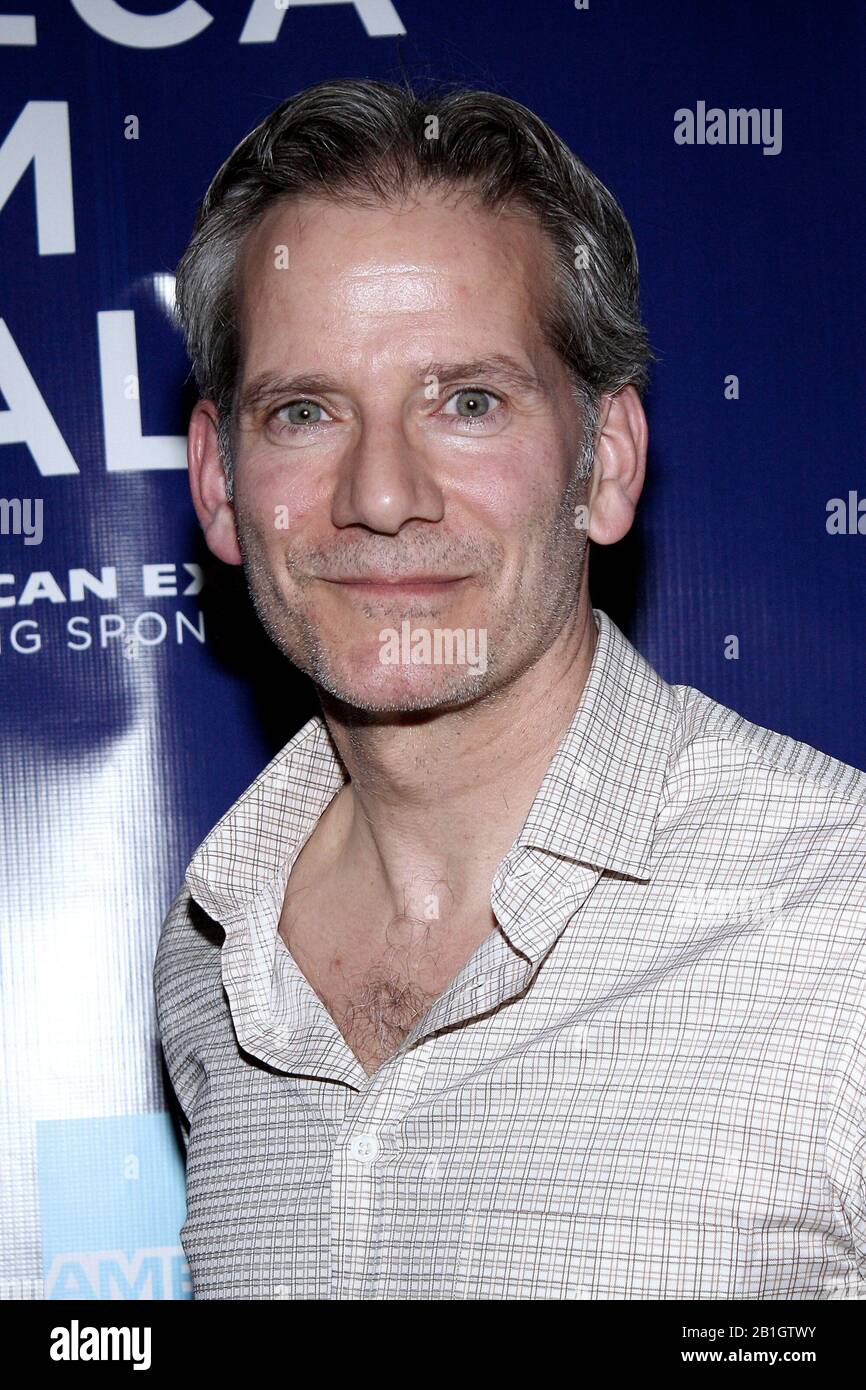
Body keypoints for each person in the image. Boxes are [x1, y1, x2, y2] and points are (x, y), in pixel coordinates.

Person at [154, 78, 866, 1300]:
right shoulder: (208, 964)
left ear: (606, 461)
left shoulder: (836, 923)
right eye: (306, 410)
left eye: (468, 402)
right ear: (219, 485)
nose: (382, 495)